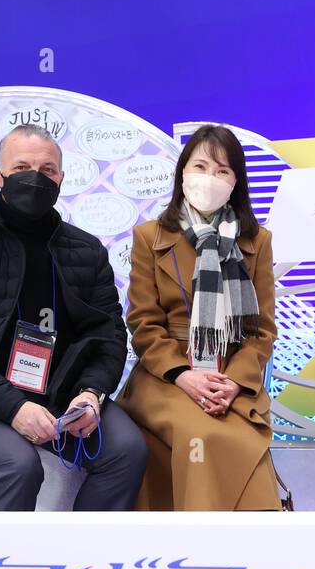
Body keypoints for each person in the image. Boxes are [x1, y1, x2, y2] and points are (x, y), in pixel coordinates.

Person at [0, 124, 147, 511]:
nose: (35, 179)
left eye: (48, 170)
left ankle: (84, 560)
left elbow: (108, 336)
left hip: (62, 396)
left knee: (127, 452)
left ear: (61, 179)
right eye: (21, 167)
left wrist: (91, 393)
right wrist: (13, 408)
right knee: (18, 468)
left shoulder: (86, 250)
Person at [115, 124, 280, 511]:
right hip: (167, 376)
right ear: (183, 173)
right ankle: (199, 548)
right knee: (202, 438)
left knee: (241, 439)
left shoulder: (256, 240)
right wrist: (184, 375)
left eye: (222, 171)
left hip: (230, 375)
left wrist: (234, 383)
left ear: (236, 182)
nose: (210, 179)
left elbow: (261, 330)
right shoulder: (149, 236)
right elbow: (143, 323)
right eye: (201, 167)